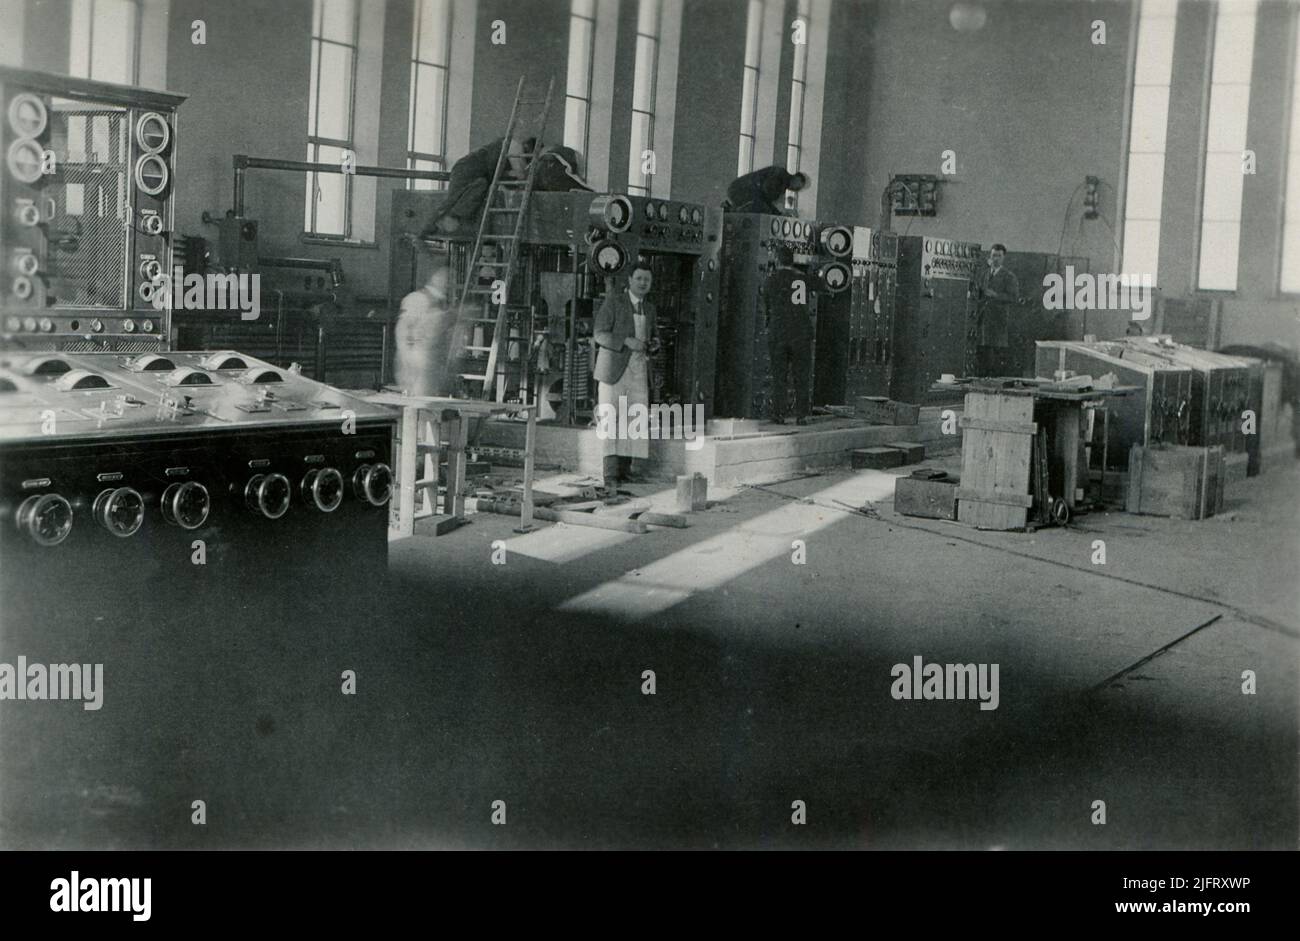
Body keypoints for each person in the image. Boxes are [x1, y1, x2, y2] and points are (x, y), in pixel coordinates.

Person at [593, 263, 658, 486]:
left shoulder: (649, 309)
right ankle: (610, 475)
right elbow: (599, 334)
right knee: (611, 420)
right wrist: (625, 341)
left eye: (646, 280)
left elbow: (653, 335)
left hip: (638, 369)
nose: (643, 283)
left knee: (634, 420)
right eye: (639, 278)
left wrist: (654, 344)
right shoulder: (614, 302)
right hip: (613, 370)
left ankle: (625, 471)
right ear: (629, 280)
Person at [421, 137, 528, 237]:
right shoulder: (514, 147)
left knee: (456, 198)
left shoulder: (508, 151)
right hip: (470, 169)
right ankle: (435, 223)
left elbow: (509, 177)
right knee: (471, 191)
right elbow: (519, 176)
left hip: (468, 168)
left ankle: (431, 225)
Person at [394, 253, 456, 396]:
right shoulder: (417, 300)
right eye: (447, 277)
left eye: (451, 277)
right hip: (418, 368)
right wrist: (407, 364)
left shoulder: (442, 305)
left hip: (434, 369)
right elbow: (402, 333)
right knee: (420, 408)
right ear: (435, 276)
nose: (450, 282)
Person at [765, 246, 814, 424]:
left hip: (779, 333)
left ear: (777, 260)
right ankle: (801, 415)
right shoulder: (803, 278)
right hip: (801, 332)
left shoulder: (771, 280)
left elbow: (767, 305)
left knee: (779, 376)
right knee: (801, 376)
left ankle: (779, 414)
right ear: (792, 261)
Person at [975, 243, 1020, 377]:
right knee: (982, 351)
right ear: (990, 256)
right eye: (993, 255)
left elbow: (1014, 297)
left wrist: (996, 295)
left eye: (999, 256)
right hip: (982, 319)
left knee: (995, 353)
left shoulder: (1009, 276)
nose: (996, 259)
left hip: (998, 321)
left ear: (1003, 258)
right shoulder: (984, 274)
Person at [725, 166, 809, 215]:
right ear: (798, 179)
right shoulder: (780, 175)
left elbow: (765, 198)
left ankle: (730, 210)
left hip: (738, 189)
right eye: (798, 187)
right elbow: (765, 193)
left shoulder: (781, 178)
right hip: (740, 190)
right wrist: (776, 213)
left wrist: (777, 213)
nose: (796, 190)